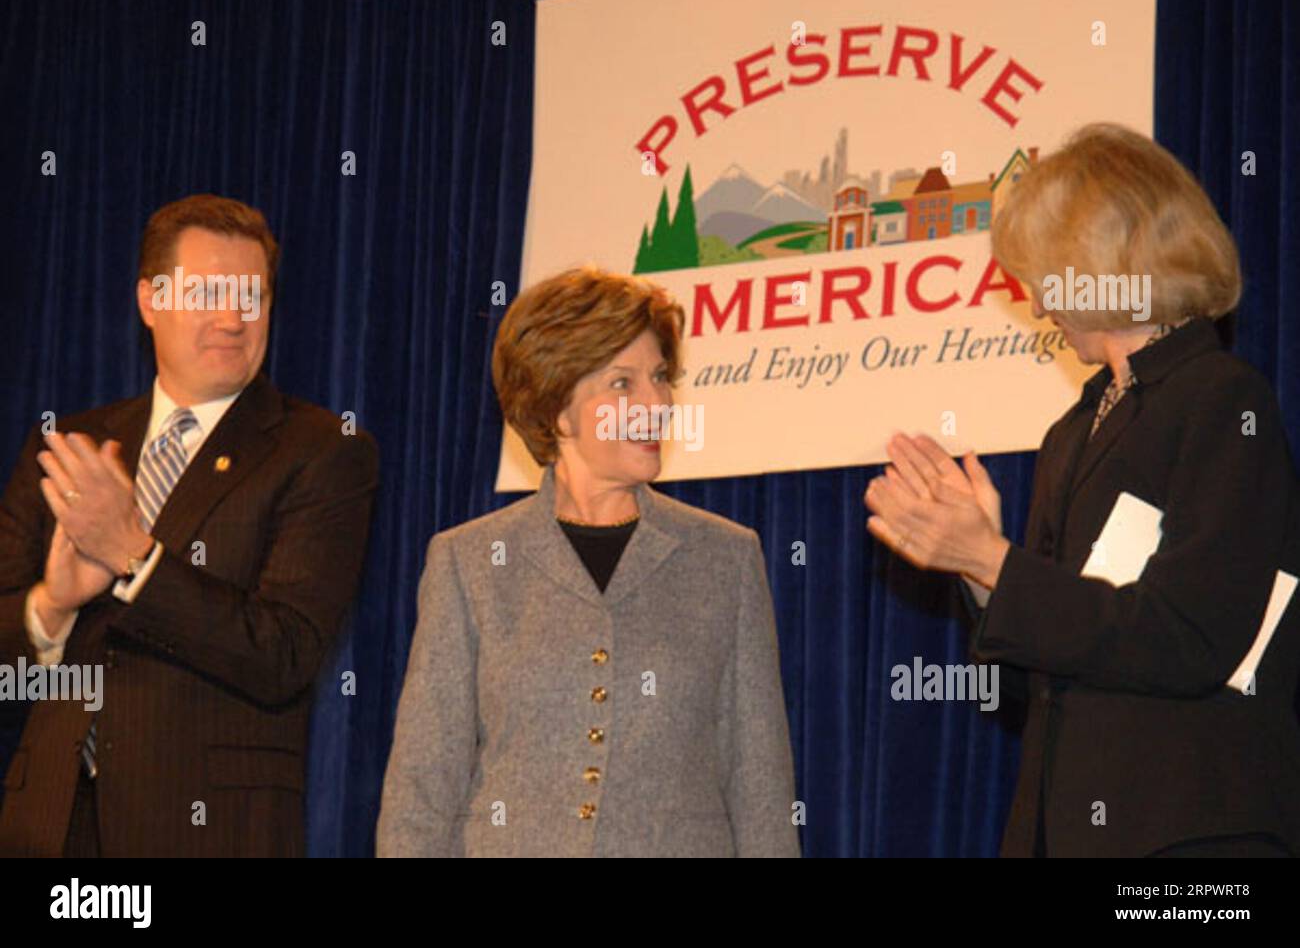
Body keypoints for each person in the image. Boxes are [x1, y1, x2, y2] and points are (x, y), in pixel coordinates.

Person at [864, 123, 1300, 857]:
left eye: (1045, 277)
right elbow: (1025, 691)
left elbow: (1192, 638)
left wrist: (998, 563)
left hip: (1192, 837)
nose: (1037, 305)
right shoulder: (1071, 433)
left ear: (1106, 260)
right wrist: (979, 570)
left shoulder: (1224, 399)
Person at [0, 194, 379, 856]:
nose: (233, 318)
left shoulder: (323, 451)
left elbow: (283, 655)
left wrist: (134, 558)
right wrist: (52, 605)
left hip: (208, 833)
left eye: (252, 295)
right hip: (53, 829)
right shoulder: (69, 444)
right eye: (208, 292)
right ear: (150, 301)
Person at [377, 267, 799, 857]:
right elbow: (422, 790)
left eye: (659, 378)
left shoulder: (726, 558)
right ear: (557, 409)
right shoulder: (468, 562)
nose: (655, 403)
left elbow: (761, 791)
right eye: (621, 385)